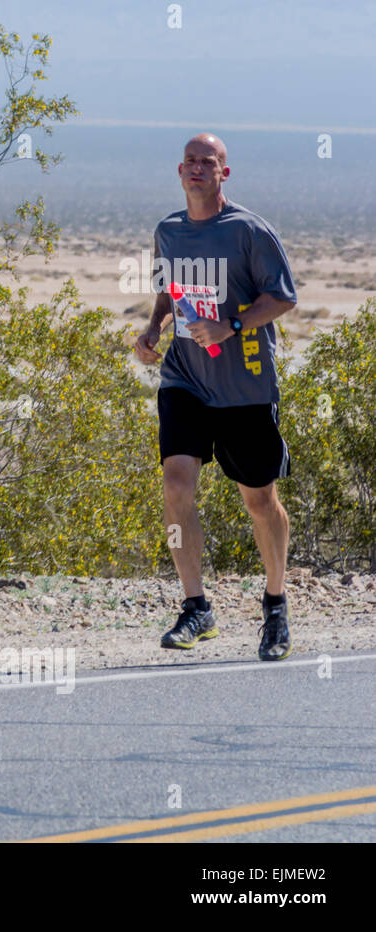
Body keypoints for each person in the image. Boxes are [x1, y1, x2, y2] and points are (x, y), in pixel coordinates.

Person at [134, 133, 297, 660]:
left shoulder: (249, 231)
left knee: (259, 499)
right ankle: (195, 606)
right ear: (179, 172)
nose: (198, 168)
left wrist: (230, 326)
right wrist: (153, 329)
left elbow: (283, 297)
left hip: (245, 386)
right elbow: (167, 289)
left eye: (209, 162)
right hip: (185, 378)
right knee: (176, 482)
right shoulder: (168, 230)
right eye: (190, 162)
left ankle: (275, 605)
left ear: (225, 173)